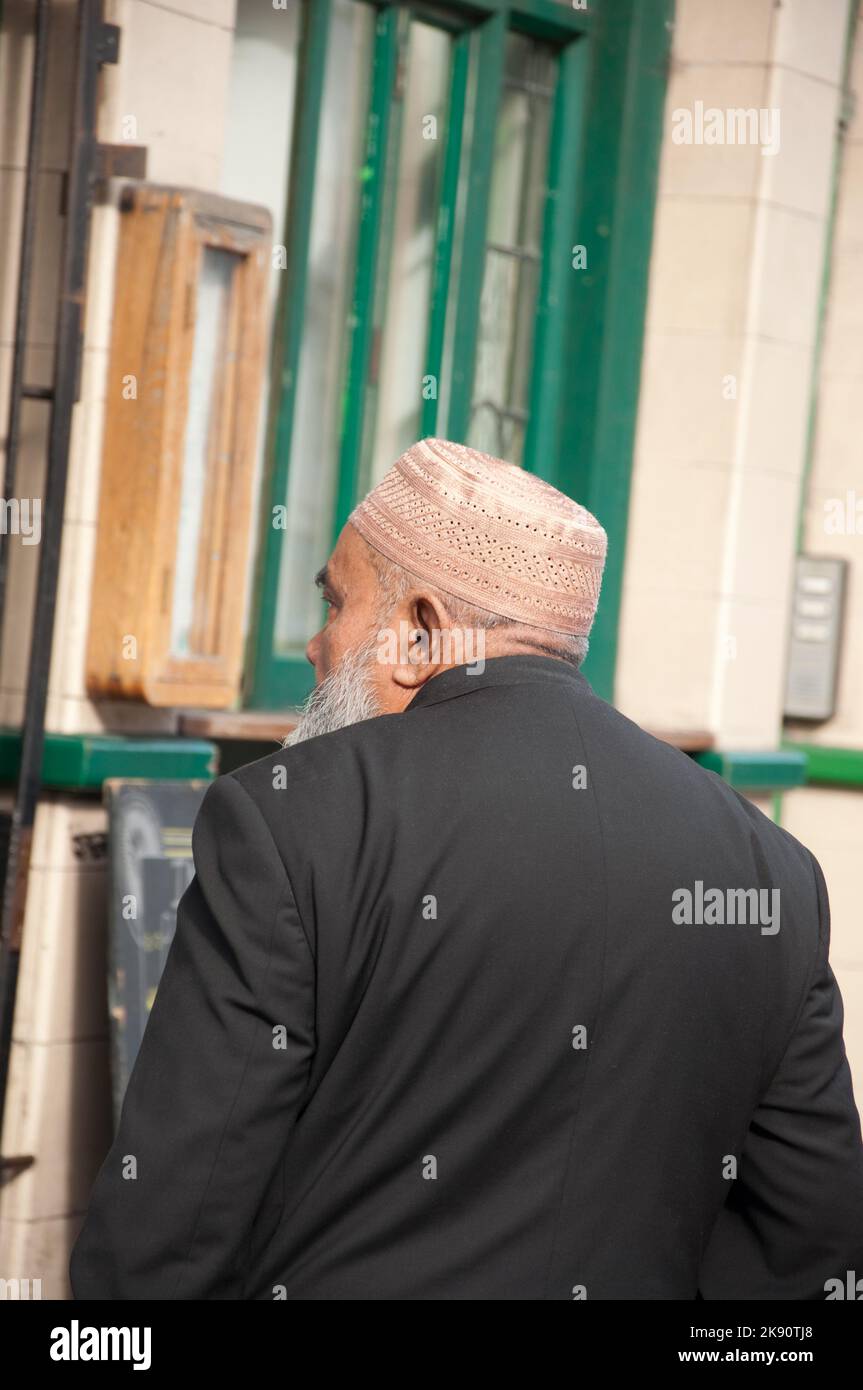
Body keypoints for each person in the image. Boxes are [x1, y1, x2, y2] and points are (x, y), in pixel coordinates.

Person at [70, 437, 863, 1299]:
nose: (313, 645)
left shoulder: (288, 820)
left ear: (418, 629)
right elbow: (811, 1247)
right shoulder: (767, 871)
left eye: (334, 603)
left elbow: (169, 1231)